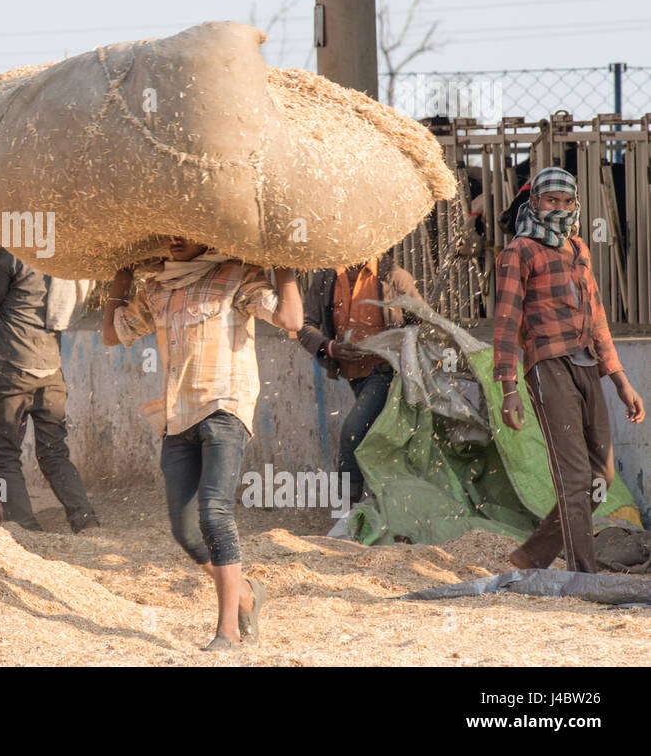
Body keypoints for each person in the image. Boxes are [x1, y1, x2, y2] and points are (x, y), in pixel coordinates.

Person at [103, 237, 302, 650]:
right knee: (185, 531)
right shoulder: (158, 287)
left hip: (224, 406)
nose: (176, 241)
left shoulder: (235, 275)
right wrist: (119, 282)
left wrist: (283, 264)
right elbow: (111, 333)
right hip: (177, 417)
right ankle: (246, 594)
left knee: (214, 511)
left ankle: (227, 630)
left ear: (205, 233)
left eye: (185, 233)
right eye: (170, 234)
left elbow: (290, 318)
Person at [494, 166, 644, 573]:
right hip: (548, 366)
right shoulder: (519, 252)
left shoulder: (578, 248)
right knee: (575, 478)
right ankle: (584, 574)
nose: (558, 208)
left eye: (566, 202)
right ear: (534, 202)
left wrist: (621, 380)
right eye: (550, 201)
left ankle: (533, 555)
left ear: (576, 205)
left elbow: (596, 319)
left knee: (601, 477)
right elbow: (507, 323)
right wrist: (509, 388)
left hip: (587, 366)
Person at [0, 244, 99, 533]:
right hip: (52, 373)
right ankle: (86, 521)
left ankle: (25, 528)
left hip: (13, 371)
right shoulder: (65, 259)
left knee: (3, 455)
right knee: (54, 453)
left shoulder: (16, 254)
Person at [296, 254, 423, 505]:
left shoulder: (393, 277)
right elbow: (303, 325)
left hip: (386, 372)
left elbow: (422, 321)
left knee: (352, 433)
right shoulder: (326, 278)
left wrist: (398, 345)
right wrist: (330, 347)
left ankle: (347, 510)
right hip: (355, 376)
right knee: (373, 442)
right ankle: (377, 508)